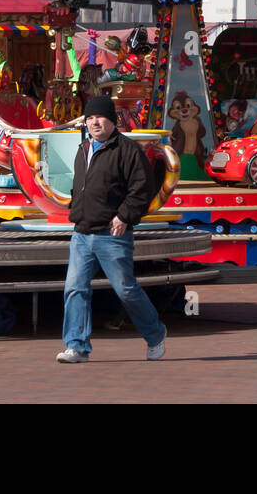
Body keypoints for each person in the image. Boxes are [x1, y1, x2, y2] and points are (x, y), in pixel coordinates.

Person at [57, 95, 166, 364]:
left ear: (112, 120)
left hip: (112, 234)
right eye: (90, 117)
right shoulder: (84, 148)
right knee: (74, 288)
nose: (94, 122)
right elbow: (81, 186)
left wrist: (124, 216)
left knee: (125, 290)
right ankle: (77, 347)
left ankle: (155, 334)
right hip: (82, 233)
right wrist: (75, 207)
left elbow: (143, 187)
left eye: (100, 117)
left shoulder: (126, 149)